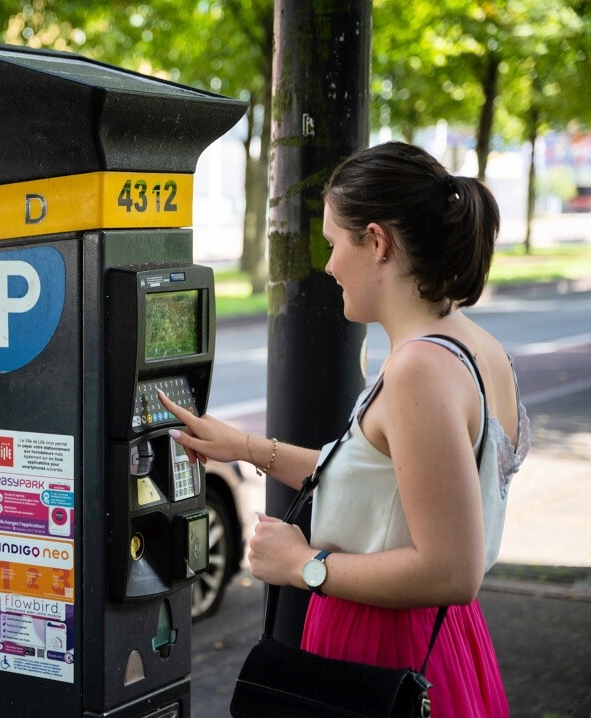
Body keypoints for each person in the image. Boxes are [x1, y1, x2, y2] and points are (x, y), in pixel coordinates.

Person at [159, 141, 530, 715]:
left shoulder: (419, 370)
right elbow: (386, 480)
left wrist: (302, 566)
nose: (329, 265)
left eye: (335, 244)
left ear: (378, 242)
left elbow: (451, 570)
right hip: (437, 638)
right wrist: (245, 447)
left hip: (385, 643)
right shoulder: (477, 348)